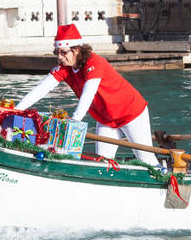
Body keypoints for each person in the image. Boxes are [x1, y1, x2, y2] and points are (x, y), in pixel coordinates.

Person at [14, 24, 157, 165]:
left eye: (63, 52)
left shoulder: (94, 62)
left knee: (146, 160)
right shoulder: (65, 67)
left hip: (131, 113)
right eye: (56, 52)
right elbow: (42, 89)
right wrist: (16, 110)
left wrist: (74, 121)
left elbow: (88, 93)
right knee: (102, 163)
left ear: (77, 50)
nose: (59, 57)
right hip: (106, 119)